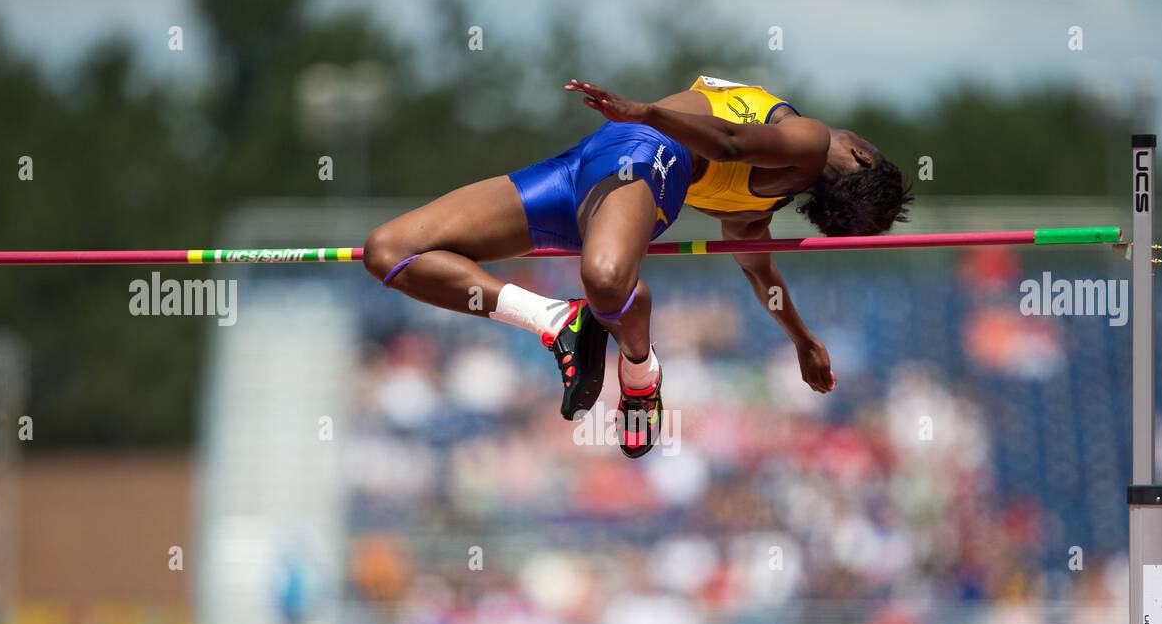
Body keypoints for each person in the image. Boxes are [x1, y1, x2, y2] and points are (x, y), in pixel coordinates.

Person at [363, 76, 912, 457]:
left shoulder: (809, 144)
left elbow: (729, 142)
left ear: (861, 157)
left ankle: (639, 375)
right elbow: (760, 274)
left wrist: (646, 112)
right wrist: (802, 339)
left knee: (605, 281)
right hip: (585, 167)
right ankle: (554, 320)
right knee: (389, 251)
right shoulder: (755, 205)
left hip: (645, 155)